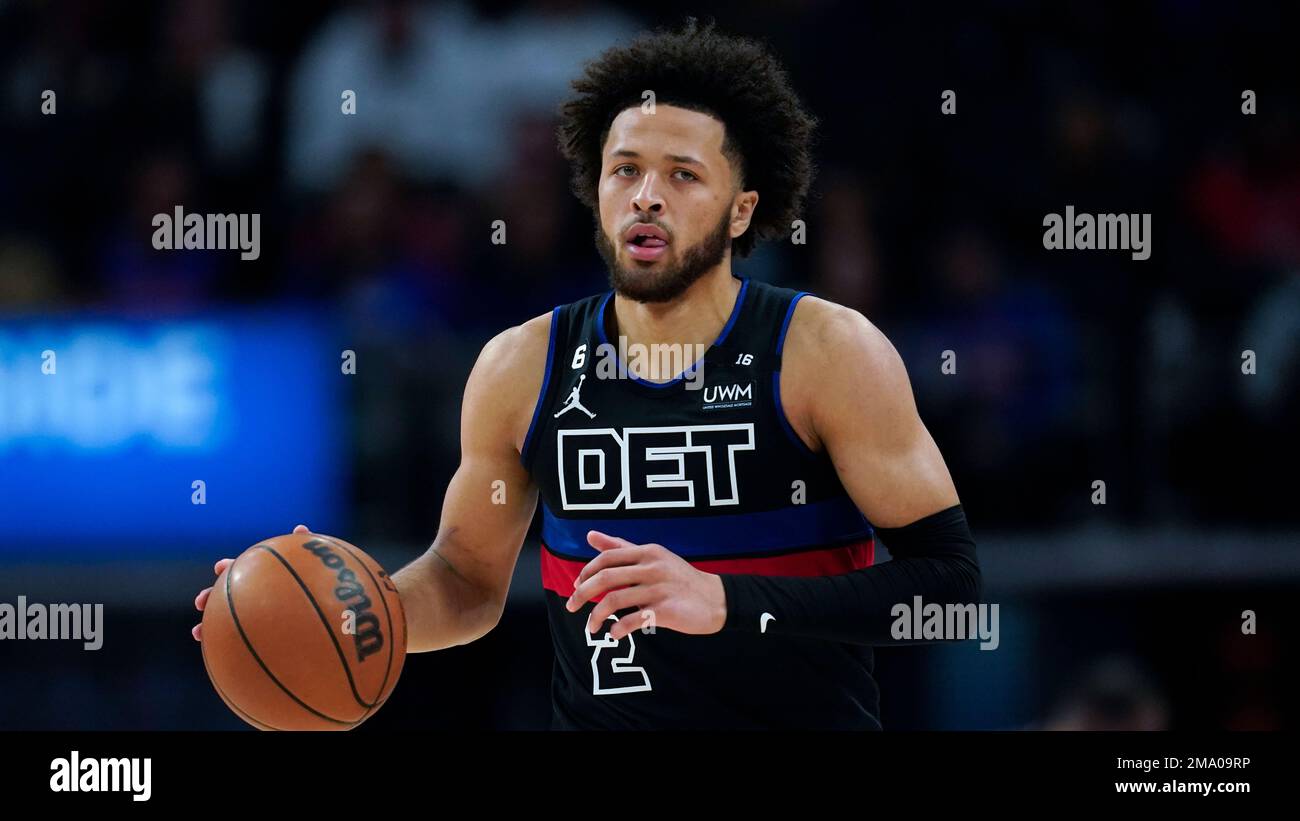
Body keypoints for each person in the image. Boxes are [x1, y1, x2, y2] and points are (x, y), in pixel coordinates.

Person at [194, 19, 981, 730]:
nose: (646, 196)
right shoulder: (522, 365)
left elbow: (948, 593)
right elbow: (467, 580)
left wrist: (727, 601)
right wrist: (348, 612)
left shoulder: (824, 349)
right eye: (625, 170)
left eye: (682, 175)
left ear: (742, 210)